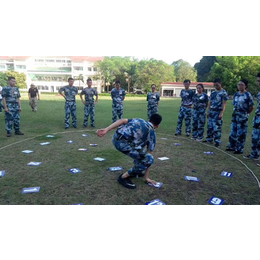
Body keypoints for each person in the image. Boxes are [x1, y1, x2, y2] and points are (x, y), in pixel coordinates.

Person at [97, 113, 162, 189]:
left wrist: (106, 130)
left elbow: (121, 121)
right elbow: (149, 155)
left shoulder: (139, 120)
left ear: (149, 120)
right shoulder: (152, 133)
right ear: (158, 126)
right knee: (148, 158)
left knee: (140, 148)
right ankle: (124, 177)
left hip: (116, 138)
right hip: (123, 144)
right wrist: (146, 177)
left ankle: (137, 171)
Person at [226, 79, 254, 154]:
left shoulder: (247, 95)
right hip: (235, 114)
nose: (240, 86)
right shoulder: (236, 94)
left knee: (241, 133)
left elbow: (251, 106)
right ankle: (232, 146)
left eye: (241, 85)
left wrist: (247, 114)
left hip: (243, 115)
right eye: (239, 84)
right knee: (233, 131)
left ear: (245, 86)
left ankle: (239, 148)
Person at [203, 79, 228, 147]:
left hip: (218, 111)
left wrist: (221, 113)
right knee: (210, 126)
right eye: (214, 85)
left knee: (217, 127)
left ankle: (217, 141)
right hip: (212, 111)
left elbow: (224, 103)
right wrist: (208, 111)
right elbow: (210, 102)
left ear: (220, 83)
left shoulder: (224, 93)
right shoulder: (213, 93)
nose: (216, 86)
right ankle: (209, 139)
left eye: (217, 85)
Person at [243, 73, 260, 161]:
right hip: (257, 117)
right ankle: (254, 154)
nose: (258, 83)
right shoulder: (259, 93)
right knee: (255, 137)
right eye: (258, 81)